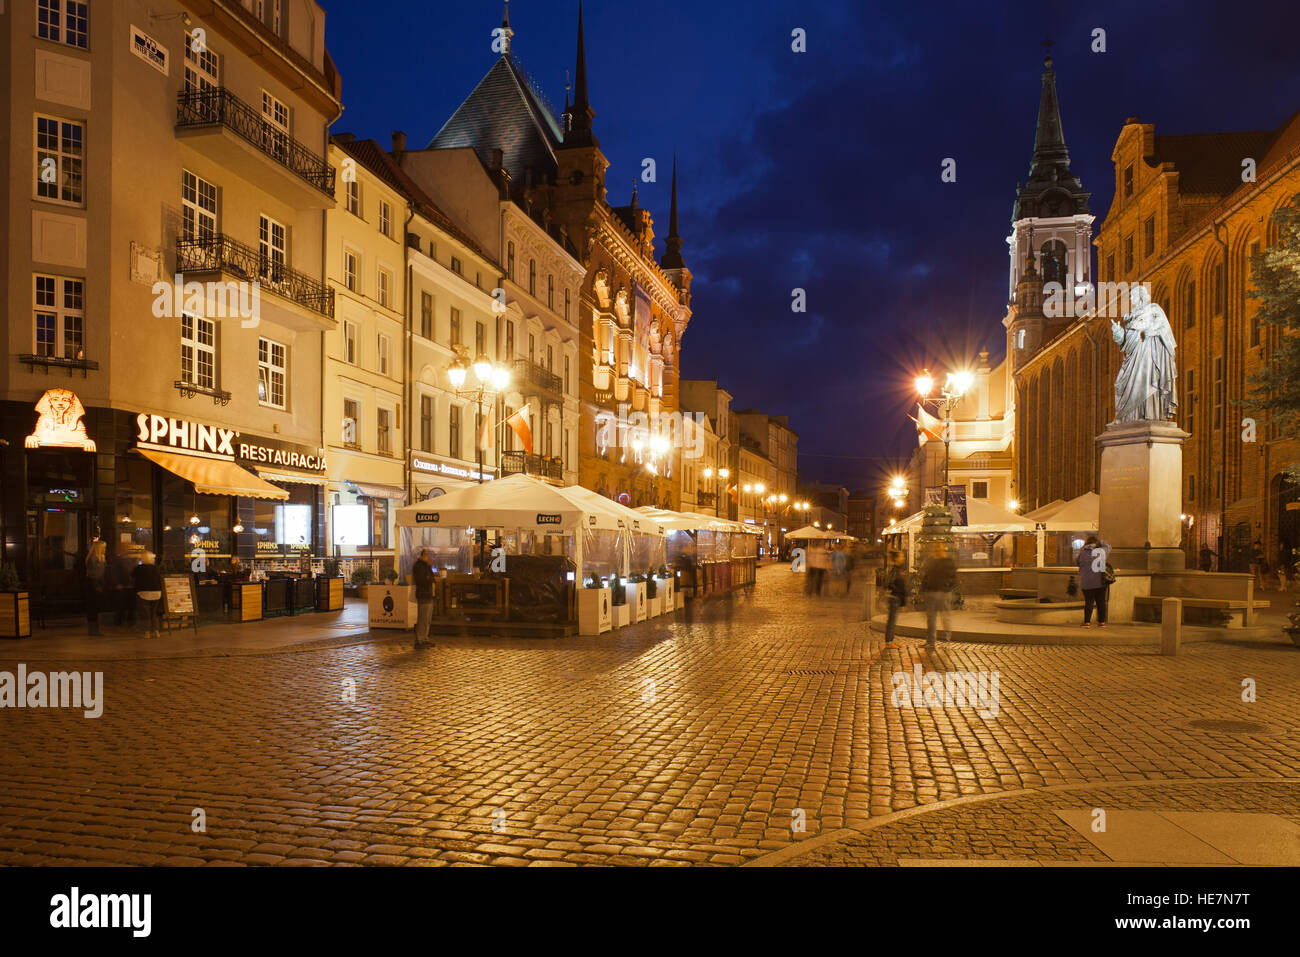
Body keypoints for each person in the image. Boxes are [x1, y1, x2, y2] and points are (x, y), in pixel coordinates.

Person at [920, 543, 957, 648]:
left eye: (939, 548)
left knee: (945, 616)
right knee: (931, 618)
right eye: (936, 548)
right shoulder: (931, 561)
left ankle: (947, 639)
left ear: (944, 549)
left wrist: (947, 586)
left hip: (944, 593)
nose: (937, 550)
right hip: (931, 592)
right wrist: (924, 590)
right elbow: (925, 576)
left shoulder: (948, 562)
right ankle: (931, 641)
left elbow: (953, 577)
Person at [1077, 534, 1111, 627]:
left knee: (1089, 602)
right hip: (1100, 582)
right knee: (1101, 602)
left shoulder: (1083, 552)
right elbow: (1108, 546)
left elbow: (1077, 562)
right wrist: (1099, 541)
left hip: (1086, 582)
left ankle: (1087, 622)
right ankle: (1102, 622)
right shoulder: (1102, 551)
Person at [132, 551, 163, 639]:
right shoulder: (155, 568)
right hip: (156, 593)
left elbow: (132, 576)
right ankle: (157, 632)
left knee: (146, 614)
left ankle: (147, 632)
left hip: (143, 593)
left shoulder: (139, 568)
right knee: (154, 613)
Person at [882, 551, 908, 649]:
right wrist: (897, 592)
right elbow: (890, 584)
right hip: (894, 598)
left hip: (896, 598)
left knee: (893, 621)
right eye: (901, 556)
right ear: (896, 558)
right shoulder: (894, 570)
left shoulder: (897, 569)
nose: (903, 557)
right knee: (891, 621)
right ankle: (888, 642)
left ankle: (891, 640)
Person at [411, 548, 436, 648]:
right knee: (423, 618)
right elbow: (422, 580)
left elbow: (430, 577)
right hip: (423, 594)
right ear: (424, 556)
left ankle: (425, 638)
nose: (431, 559)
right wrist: (429, 579)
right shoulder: (419, 566)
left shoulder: (425, 566)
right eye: (429, 556)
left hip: (428, 594)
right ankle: (420, 640)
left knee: (427, 619)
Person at [84, 539, 107, 635]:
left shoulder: (101, 557)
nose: (105, 549)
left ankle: (97, 629)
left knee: (98, 607)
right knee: (93, 607)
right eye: (104, 547)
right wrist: (97, 585)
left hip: (99, 583)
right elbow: (92, 573)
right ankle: (92, 630)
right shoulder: (93, 558)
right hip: (93, 584)